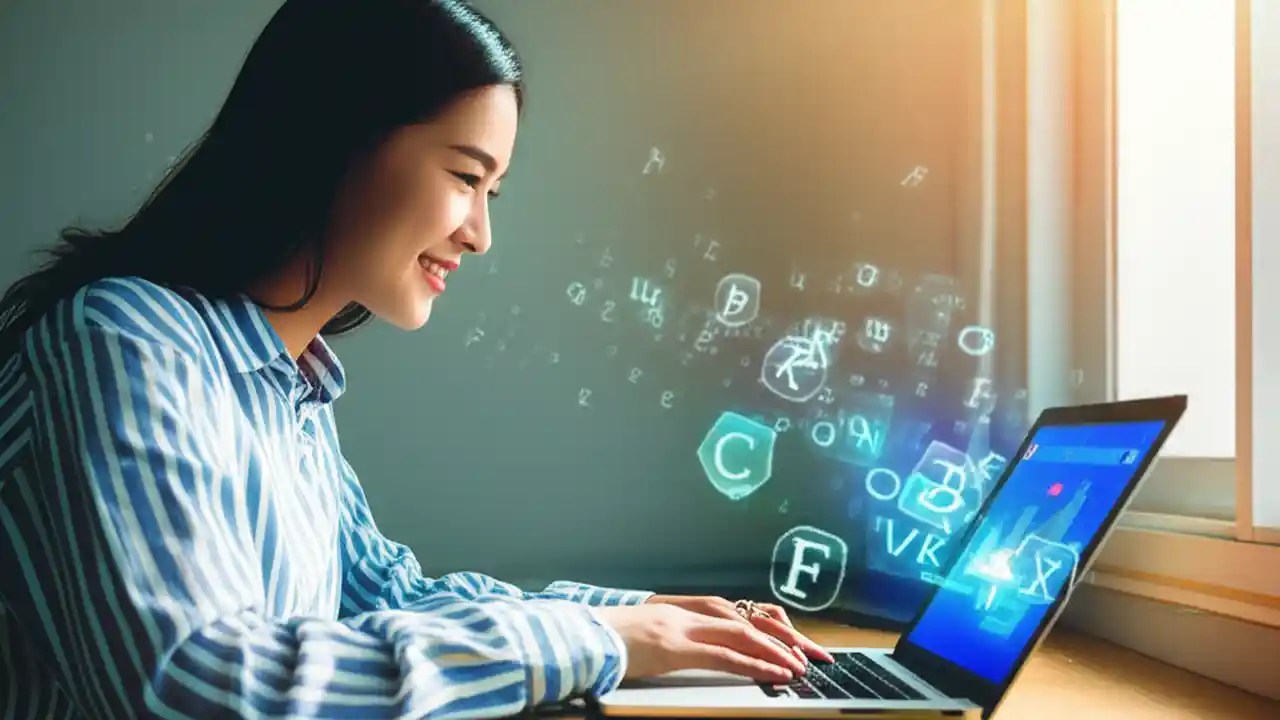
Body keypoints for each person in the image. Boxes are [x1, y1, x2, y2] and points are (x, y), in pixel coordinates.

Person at [0, 1, 832, 717]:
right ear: (337, 142)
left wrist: (644, 618)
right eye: (466, 177)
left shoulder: (283, 387)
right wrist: (595, 637)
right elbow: (195, 685)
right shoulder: (125, 337)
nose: (480, 232)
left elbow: (385, 598)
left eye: (490, 191)